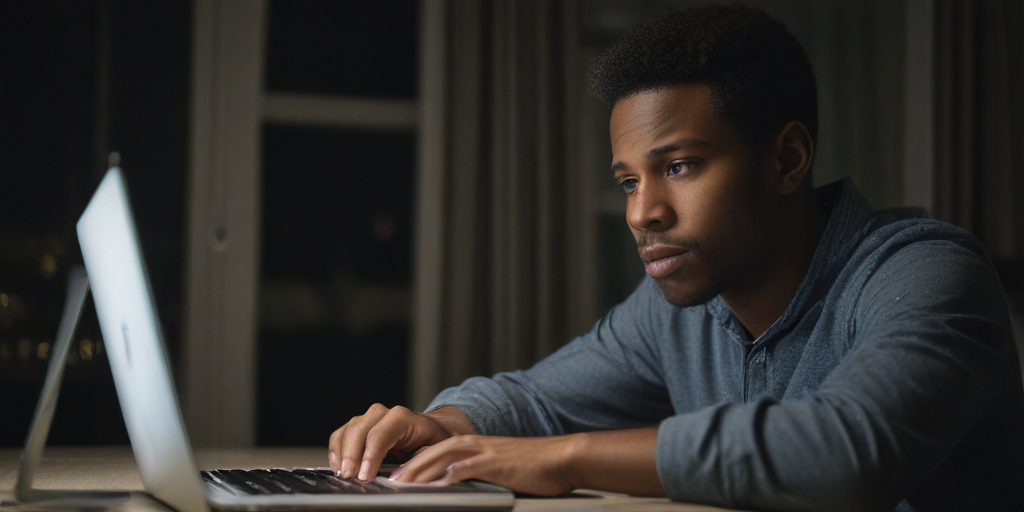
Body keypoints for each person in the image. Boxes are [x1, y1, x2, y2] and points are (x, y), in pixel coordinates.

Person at [328, 5, 1024, 511]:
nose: (642, 213)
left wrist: (562, 460)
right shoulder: (682, 308)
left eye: (681, 167)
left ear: (786, 158)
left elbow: (845, 452)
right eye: (629, 180)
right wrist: (445, 425)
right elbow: (535, 398)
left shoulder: (926, 274)